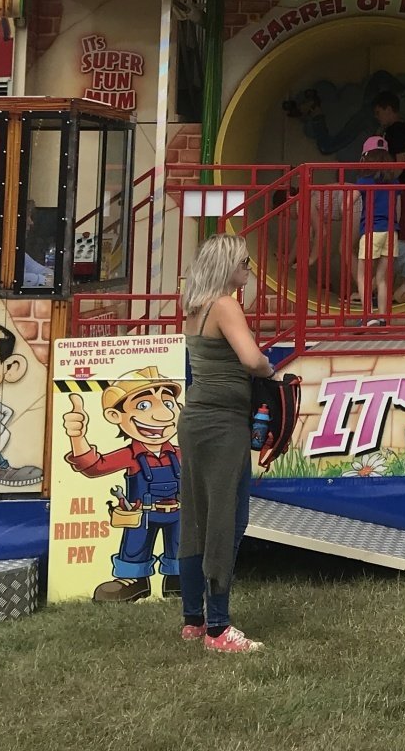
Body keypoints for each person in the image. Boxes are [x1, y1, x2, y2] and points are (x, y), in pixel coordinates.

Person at [178, 234, 273, 654]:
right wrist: (268, 369)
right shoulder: (224, 304)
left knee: (196, 516)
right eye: (245, 263)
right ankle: (219, 627)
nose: (249, 270)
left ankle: (193, 621)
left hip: (196, 418)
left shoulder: (194, 307)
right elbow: (251, 359)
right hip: (223, 422)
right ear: (228, 265)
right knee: (227, 521)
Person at [350, 137, 405, 324]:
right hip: (391, 232)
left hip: (371, 231)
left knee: (363, 276)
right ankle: (383, 317)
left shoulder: (364, 182)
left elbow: (349, 203)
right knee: (383, 278)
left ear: (365, 159)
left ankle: (367, 317)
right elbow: (397, 210)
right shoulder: (394, 183)